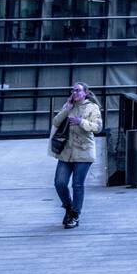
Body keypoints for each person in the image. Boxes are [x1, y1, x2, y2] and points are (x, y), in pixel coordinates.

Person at [50, 82, 103, 229]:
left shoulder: (92, 107)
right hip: (66, 151)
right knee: (59, 183)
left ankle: (75, 215)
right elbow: (55, 122)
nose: (75, 93)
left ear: (85, 92)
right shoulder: (68, 105)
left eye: (78, 90)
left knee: (77, 185)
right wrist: (66, 110)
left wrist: (81, 122)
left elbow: (98, 128)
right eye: (73, 90)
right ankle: (68, 207)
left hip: (84, 151)